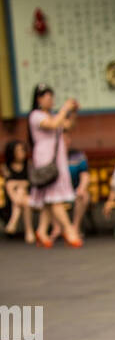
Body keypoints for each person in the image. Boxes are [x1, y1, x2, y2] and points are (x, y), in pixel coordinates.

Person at [27, 83, 82, 248]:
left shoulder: (53, 114)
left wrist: (73, 112)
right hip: (45, 158)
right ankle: (69, 230)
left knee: (47, 200)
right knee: (54, 197)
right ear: (38, 99)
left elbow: (68, 125)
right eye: (46, 97)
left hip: (57, 157)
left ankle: (42, 231)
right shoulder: (36, 116)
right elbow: (52, 124)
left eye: (51, 97)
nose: (50, 100)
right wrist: (65, 108)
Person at [2, 139, 35, 243]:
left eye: (22, 150)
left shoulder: (29, 165)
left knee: (21, 191)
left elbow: (30, 182)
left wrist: (18, 184)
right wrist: (19, 184)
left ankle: (13, 222)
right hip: (12, 200)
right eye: (17, 150)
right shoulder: (5, 167)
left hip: (28, 196)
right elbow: (8, 185)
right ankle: (29, 231)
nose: (21, 153)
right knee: (19, 191)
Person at [67, 140, 90, 240]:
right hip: (56, 192)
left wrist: (81, 188)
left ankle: (75, 227)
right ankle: (57, 228)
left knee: (83, 194)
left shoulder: (77, 156)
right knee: (51, 199)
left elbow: (85, 174)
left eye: (66, 138)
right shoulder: (50, 156)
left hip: (74, 189)